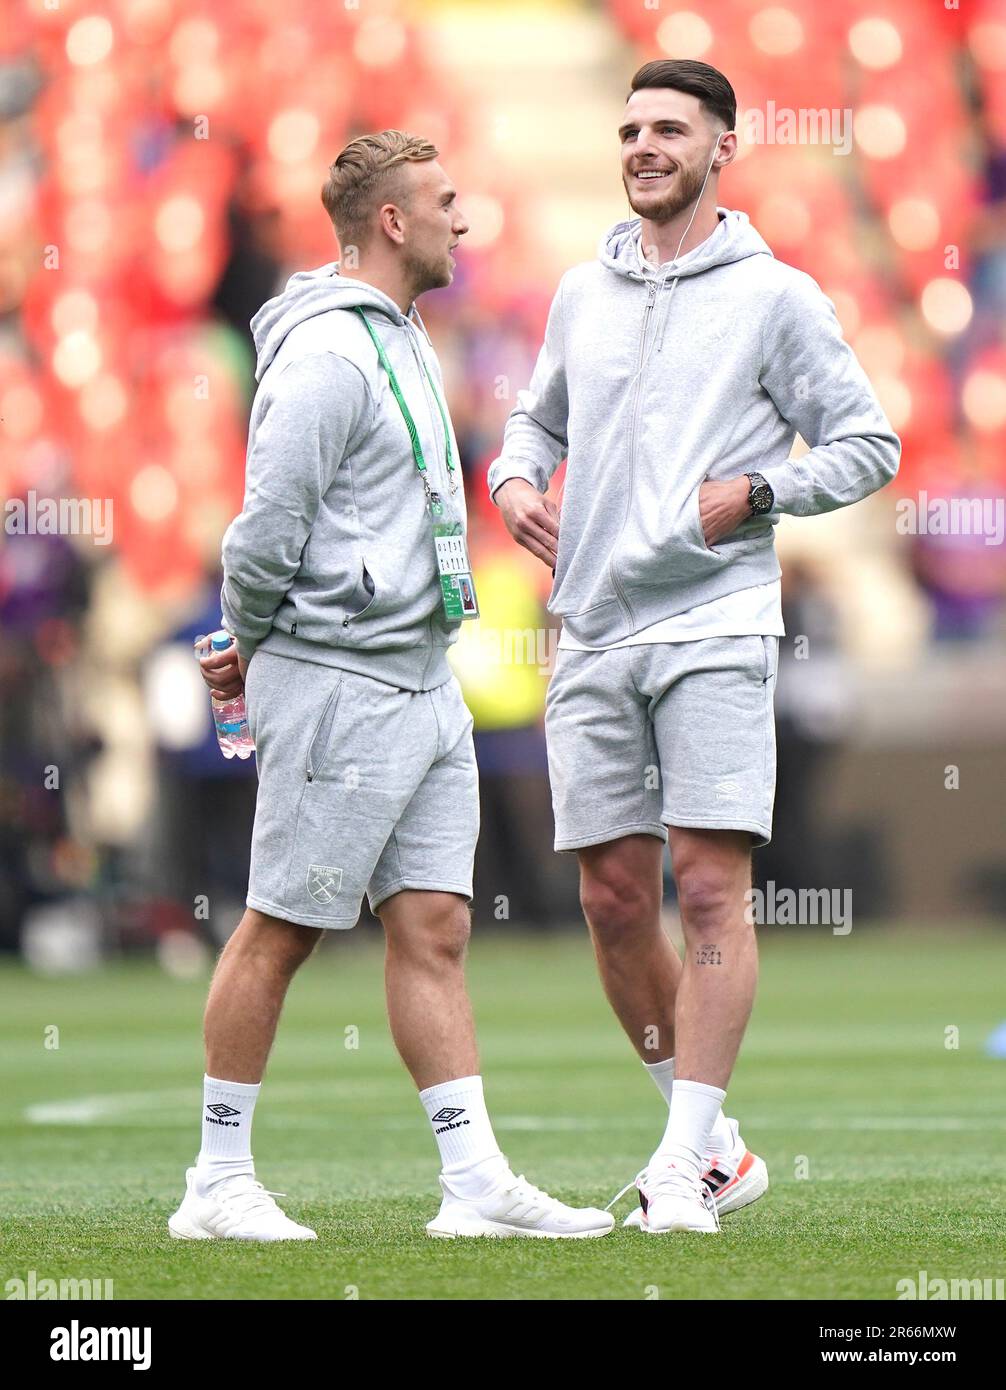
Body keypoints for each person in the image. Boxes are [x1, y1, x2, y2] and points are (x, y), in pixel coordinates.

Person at [170, 131, 613, 1242]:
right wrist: (254, 652)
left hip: (420, 673)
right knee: (282, 923)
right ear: (392, 223)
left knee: (434, 924)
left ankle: (472, 1184)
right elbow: (262, 533)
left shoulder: (403, 334)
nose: (463, 221)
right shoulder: (328, 354)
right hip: (337, 673)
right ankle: (216, 1180)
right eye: (444, 202)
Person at [490, 60, 901, 1234]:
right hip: (589, 629)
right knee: (616, 898)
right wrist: (512, 475)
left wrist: (759, 491)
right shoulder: (581, 290)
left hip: (717, 621)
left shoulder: (776, 294)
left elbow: (866, 443)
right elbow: (534, 415)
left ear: (722, 146)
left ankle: (678, 1168)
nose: (642, 145)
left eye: (669, 128)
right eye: (628, 129)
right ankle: (712, 1145)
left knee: (712, 887)